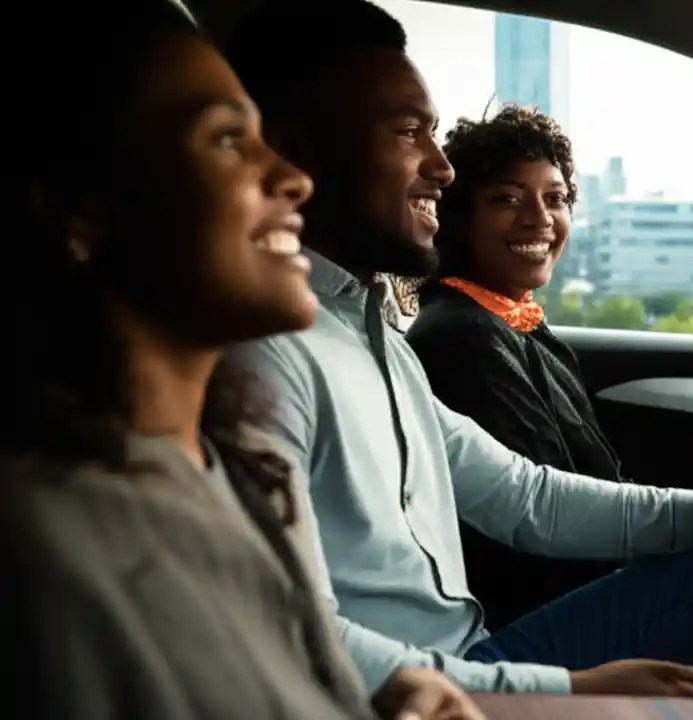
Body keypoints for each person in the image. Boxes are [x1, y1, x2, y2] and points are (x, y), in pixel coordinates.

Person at [225, 2, 693, 718]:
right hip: (427, 693)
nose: (439, 167)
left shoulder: (374, 340)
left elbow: (529, 498)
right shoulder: (262, 357)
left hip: (477, 659)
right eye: (408, 133)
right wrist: (562, 690)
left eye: (434, 134)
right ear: (293, 150)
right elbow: (293, 635)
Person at [2, 3, 483, 719]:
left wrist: (394, 696)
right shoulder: (45, 548)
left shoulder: (236, 470)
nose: (291, 177)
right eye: (229, 139)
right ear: (83, 208)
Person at [404, 106, 693, 625]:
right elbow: (546, 527)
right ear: (458, 217)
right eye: (507, 199)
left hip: (584, 578)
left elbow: (598, 488)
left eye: (556, 199)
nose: (539, 218)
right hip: (545, 610)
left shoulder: (514, 326)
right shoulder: (462, 340)